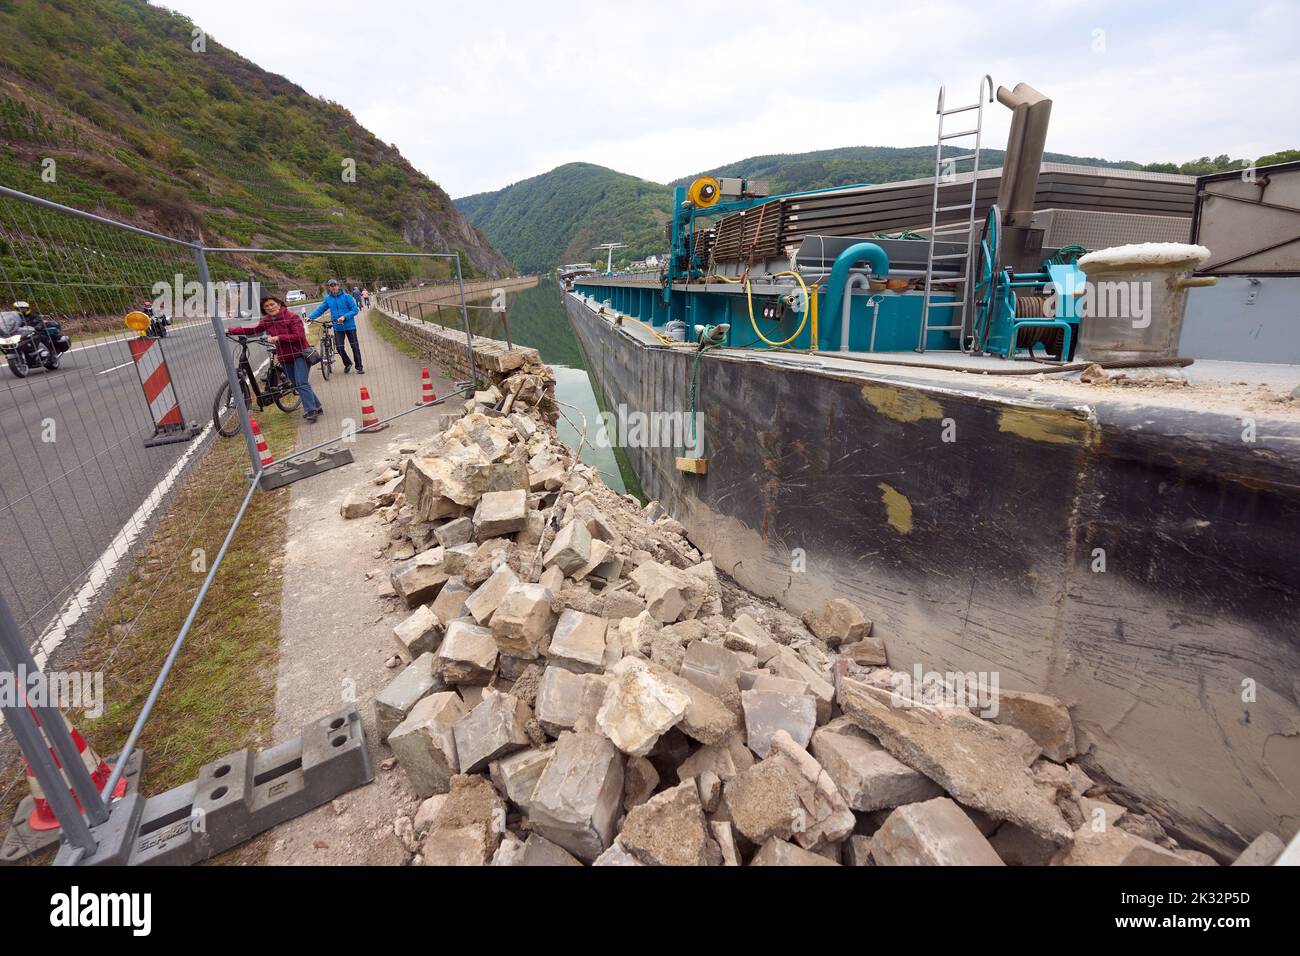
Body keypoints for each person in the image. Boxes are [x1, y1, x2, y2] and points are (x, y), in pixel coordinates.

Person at [229, 295, 325, 422]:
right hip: (284, 357)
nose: (270, 307)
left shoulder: (292, 317)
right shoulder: (266, 320)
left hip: (299, 354)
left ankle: (311, 411)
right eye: (266, 306)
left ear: (279, 304)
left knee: (301, 382)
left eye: (272, 304)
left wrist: (279, 337)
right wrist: (229, 330)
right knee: (297, 384)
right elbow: (252, 329)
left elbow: (299, 336)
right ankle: (317, 406)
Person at [308, 279, 363, 374]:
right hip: (337, 327)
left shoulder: (347, 297)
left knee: (355, 346)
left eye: (335, 285)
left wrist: (344, 317)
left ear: (338, 286)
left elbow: (355, 310)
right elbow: (320, 310)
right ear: (329, 288)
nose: (333, 287)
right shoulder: (328, 299)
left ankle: (359, 367)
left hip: (350, 326)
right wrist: (310, 317)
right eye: (331, 286)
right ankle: (348, 363)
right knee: (339, 348)